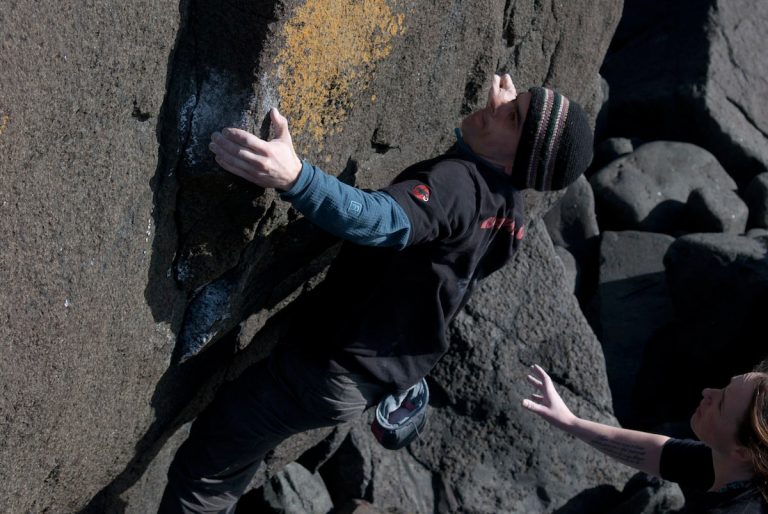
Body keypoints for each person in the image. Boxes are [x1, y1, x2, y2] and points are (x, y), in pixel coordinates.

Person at [158, 74, 594, 513]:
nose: (498, 102)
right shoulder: (510, 215)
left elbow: (381, 222)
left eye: (513, 115)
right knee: (240, 448)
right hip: (379, 374)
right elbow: (451, 263)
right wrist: (499, 122)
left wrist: (295, 177)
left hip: (332, 368)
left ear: (519, 162)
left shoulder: (457, 184)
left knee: (208, 470)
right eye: (514, 97)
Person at [522, 363, 768, 513]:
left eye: (721, 403)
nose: (707, 392)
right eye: (723, 387)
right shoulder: (738, 467)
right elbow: (659, 452)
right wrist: (570, 421)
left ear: (743, 451)